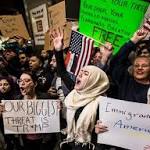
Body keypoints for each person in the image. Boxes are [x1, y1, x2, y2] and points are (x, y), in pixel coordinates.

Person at [60, 65, 109, 150]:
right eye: (80, 72)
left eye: (86, 74)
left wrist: (99, 133)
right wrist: (59, 111)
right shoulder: (72, 96)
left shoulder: (103, 104)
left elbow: (105, 136)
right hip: (69, 144)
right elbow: (65, 125)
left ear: (94, 81)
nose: (80, 75)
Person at [16, 71, 58, 150]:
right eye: (20, 81)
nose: (22, 83)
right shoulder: (16, 100)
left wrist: (57, 110)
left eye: (27, 80)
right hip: (25, 141)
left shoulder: (46, 98)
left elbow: (52, 122)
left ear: (35, 84)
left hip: (44, 141)